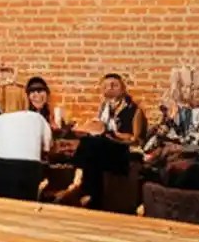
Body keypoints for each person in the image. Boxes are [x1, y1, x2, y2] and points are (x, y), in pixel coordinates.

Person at [63, 74, 147, 209]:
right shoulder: (104, 108)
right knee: (89, 143)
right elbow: (100, 128)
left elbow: (136, 139)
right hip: (105, 148)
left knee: (92, 145)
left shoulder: (135, 110)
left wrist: (113, 134)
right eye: (106, 86)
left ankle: (79, 186)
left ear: (123, 88)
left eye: (114, 85)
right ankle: (85, 190)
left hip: (124, 150)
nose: (110, 88)